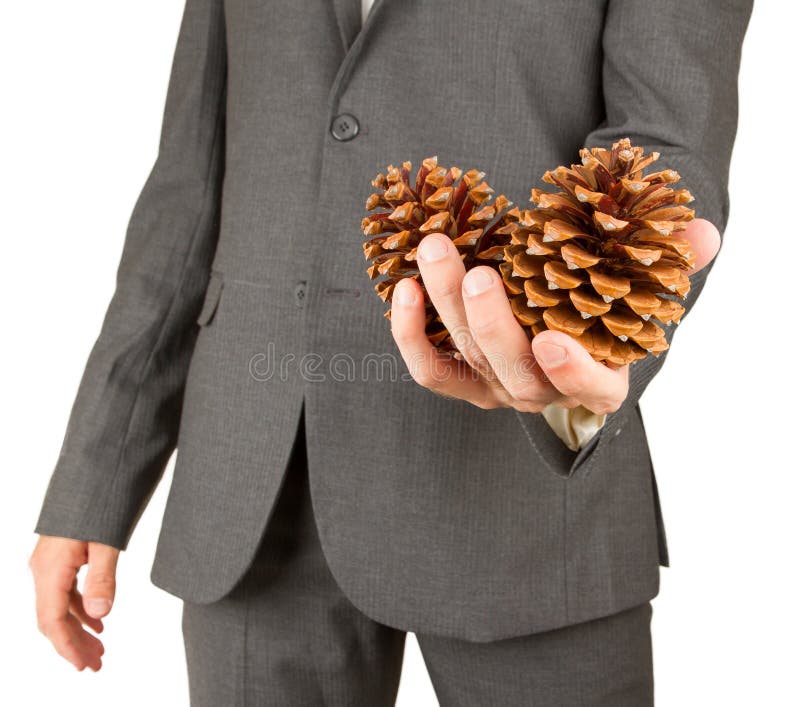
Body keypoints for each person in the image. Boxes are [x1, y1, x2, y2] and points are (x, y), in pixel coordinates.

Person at [29, 1, 753, 704]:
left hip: (530, 497)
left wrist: (588, 354)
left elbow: (666, 149)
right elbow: (187, 191)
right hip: (257, 488)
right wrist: (96, 478)